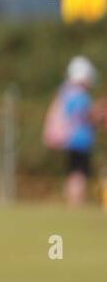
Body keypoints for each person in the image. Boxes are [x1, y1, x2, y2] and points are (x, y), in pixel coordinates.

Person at [45, 56, 102, 207]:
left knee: (73, 172)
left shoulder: (66, 91)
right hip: (79, 140)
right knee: (79, 173)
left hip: (72, 140)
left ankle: (73, 203)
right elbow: (85, 114)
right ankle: (75, 203)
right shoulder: (78, 93)